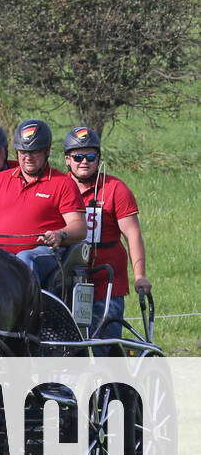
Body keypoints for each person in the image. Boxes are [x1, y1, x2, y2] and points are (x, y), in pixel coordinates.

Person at [0, 119, 86, 286]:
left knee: (24, 258)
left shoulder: (63, 183)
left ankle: (26, 309)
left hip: (44, 254)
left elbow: (79, 226)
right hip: (1, 254)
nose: (27, 158)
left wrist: (60, 234)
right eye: (22, 152)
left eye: (34, 152)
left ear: (47, 151)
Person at [63, 126, 152, 345]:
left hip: (107, 281)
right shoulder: (58, 187)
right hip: (67, 282)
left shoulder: (116, 189)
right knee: (68, 346)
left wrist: (140, 275)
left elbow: (133, 234)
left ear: (99, 158)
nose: (84, 161)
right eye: (78, 156)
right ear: (67, 160)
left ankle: (112, 380)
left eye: (90, 156)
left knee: (106, 345)